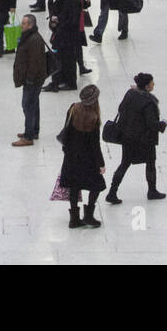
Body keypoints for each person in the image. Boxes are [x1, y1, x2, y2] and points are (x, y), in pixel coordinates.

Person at [106, 73, 167, 204]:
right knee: (150, 163)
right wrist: (162, 125)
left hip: (127, 136)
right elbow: (151, 124)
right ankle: (152, 191)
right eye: (152, 83)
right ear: (146, 86)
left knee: (124, 163)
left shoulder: (130, 93)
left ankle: (112, 192)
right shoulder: (149, 103)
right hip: (144, 139)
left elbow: (121, 108)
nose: (154, 84)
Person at [58, 85, 106, 228]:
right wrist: (101, 164)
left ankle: (74, 219)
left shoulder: (73, 108)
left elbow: (67, 130)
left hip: (71, 155)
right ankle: (89, 215)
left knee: (74, 185)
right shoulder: (94, 118)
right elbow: (95, 145)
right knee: (96, 185)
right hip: (88, 159)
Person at [11, 15, 48, 146]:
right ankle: (34, 131)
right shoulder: (30, 36)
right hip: (32, 79)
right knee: (34, 104)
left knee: (28, 105)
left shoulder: (34, 40)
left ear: (30, 25)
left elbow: (35, 63)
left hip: (33, 80)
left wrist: (29, 79)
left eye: (24, 23)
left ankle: (28, 136)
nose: (22, 25)